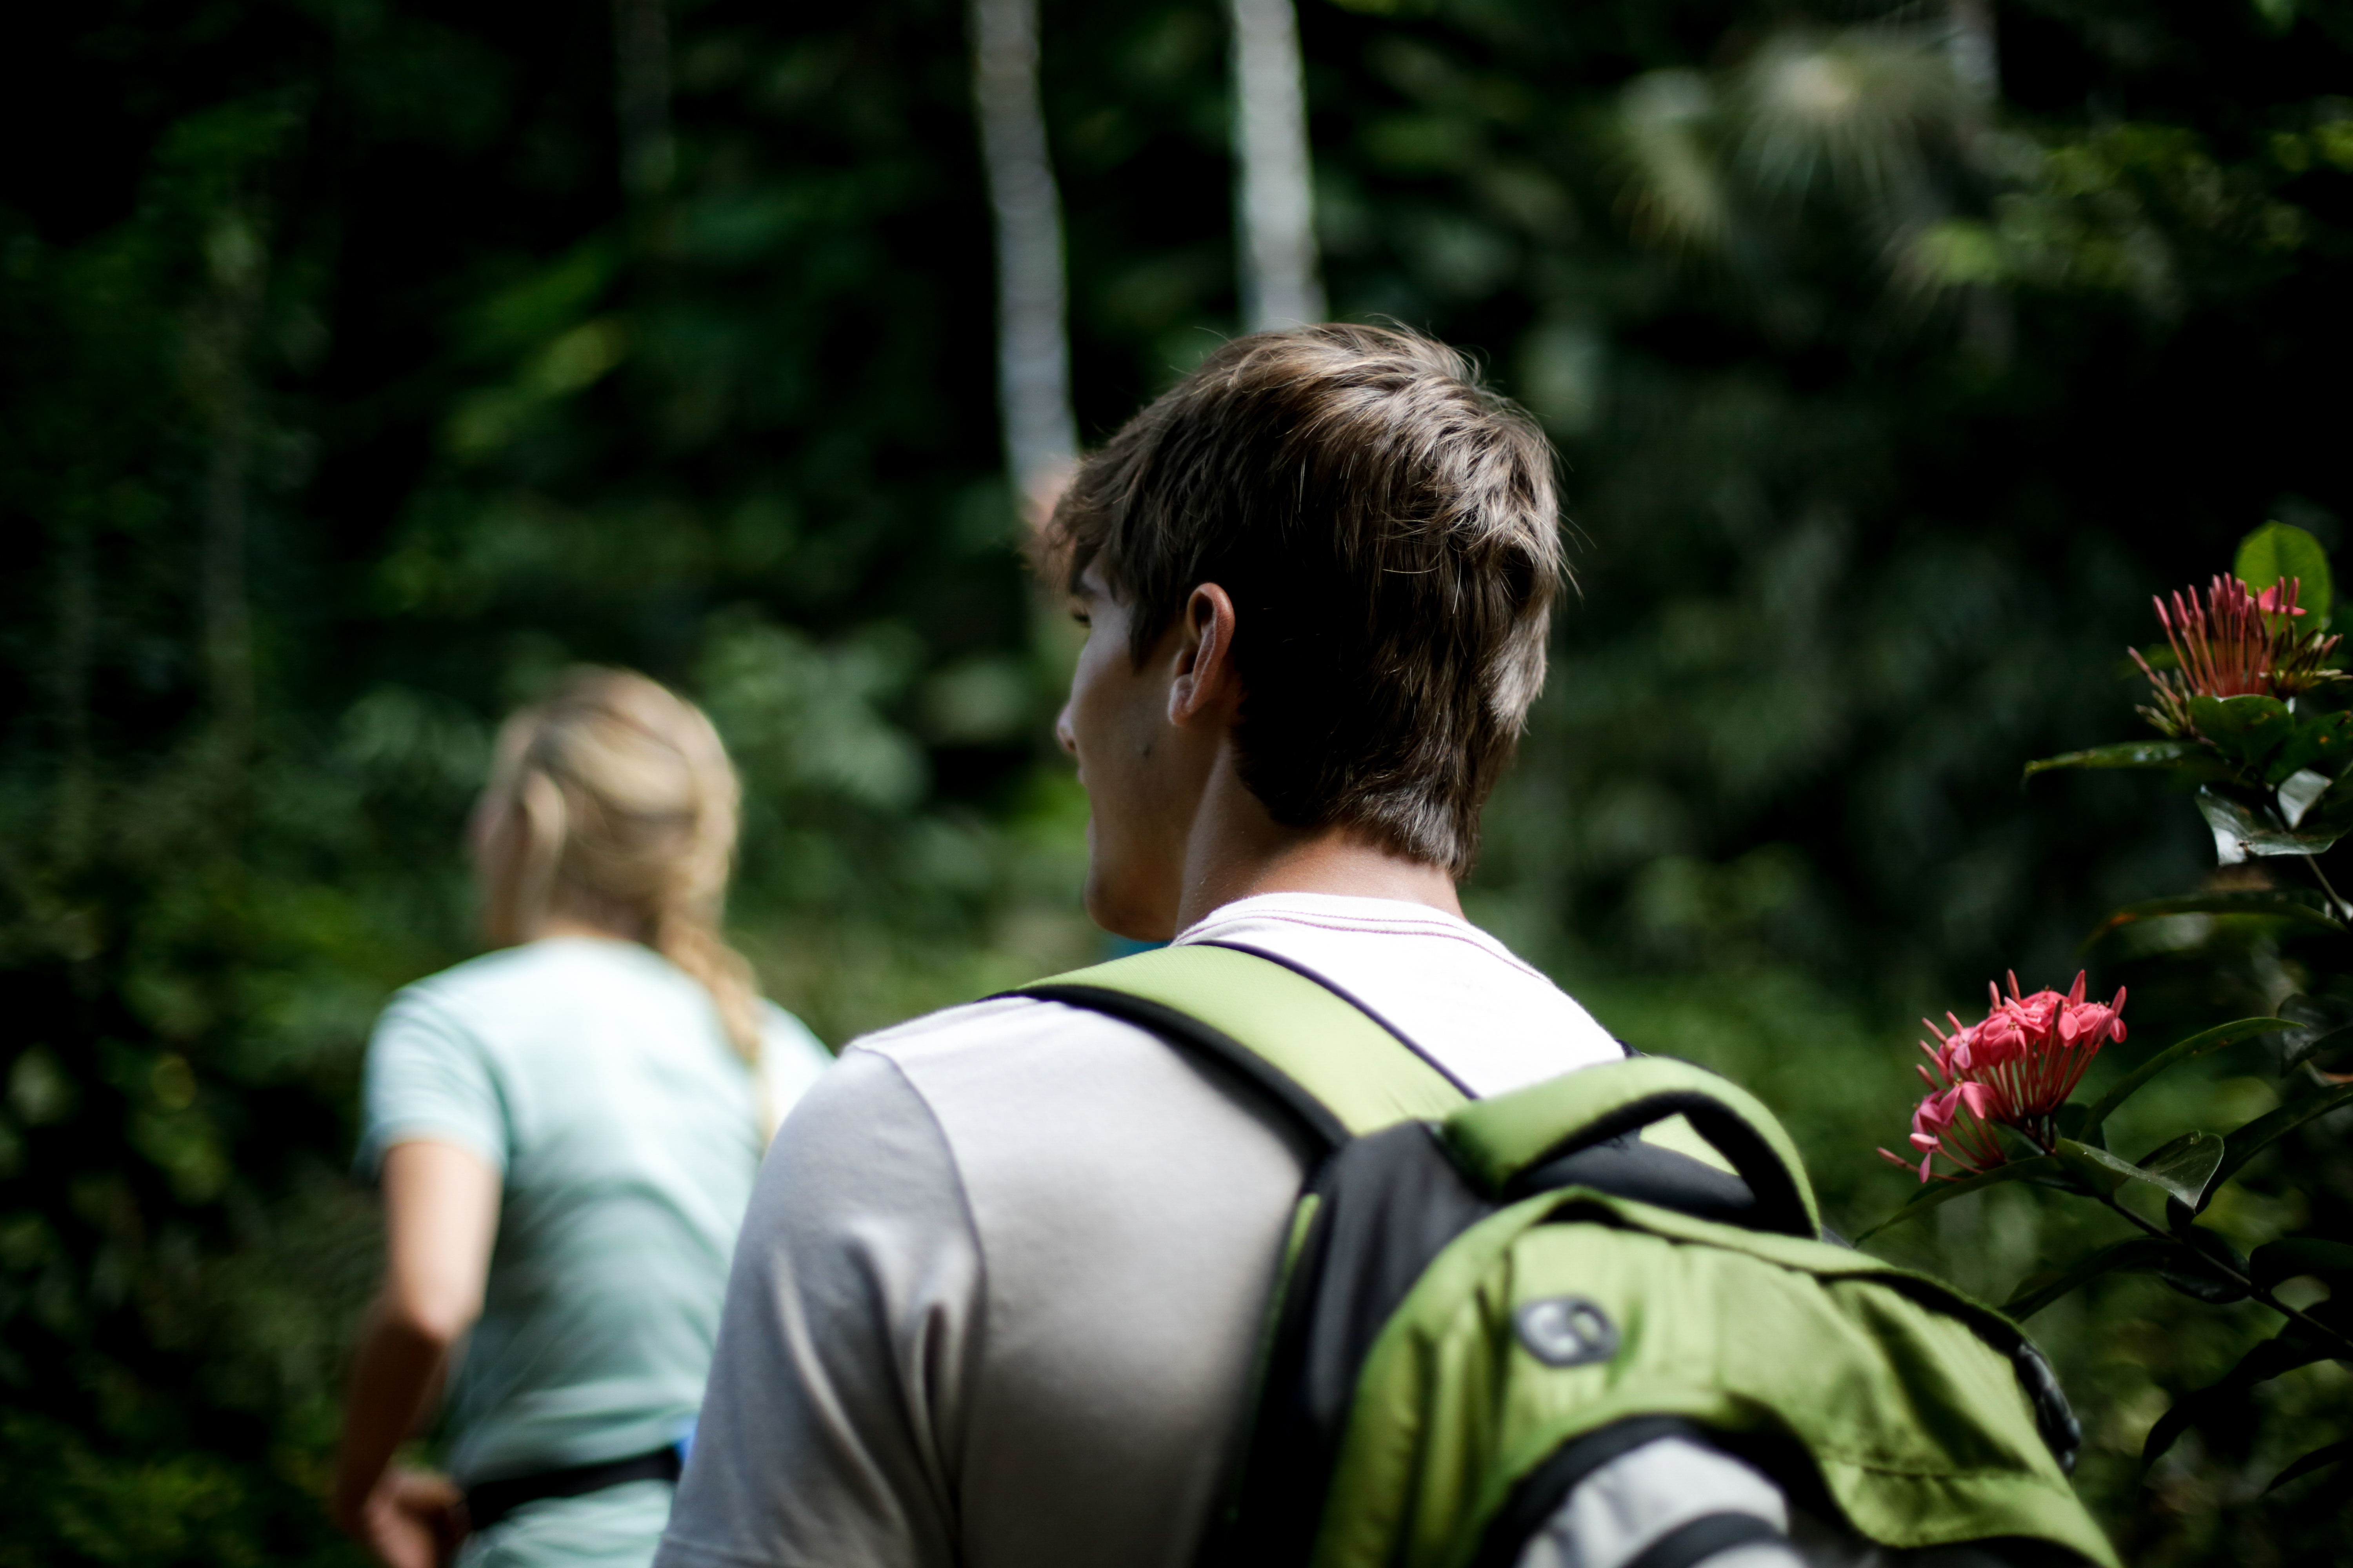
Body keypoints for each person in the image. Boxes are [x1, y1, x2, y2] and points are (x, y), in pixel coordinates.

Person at [657, 325, 1650, 1568]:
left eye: (1089, 621)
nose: (1071, 719)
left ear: (1196, 653)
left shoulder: (918, 1134)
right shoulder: (1669, 1146)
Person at [333, 667, 831, 1568]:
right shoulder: (780, 1049)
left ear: (529, 822)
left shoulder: (455, 1023)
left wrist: (361, 1482)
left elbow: (428, 1303)